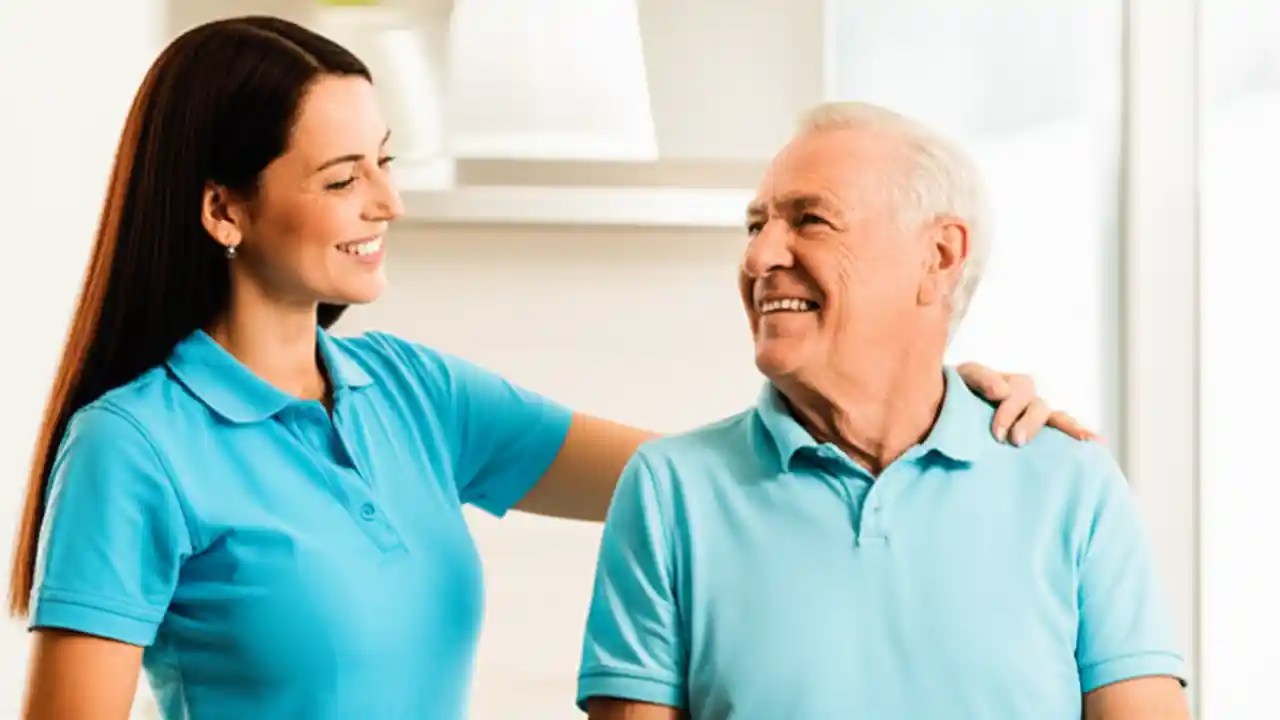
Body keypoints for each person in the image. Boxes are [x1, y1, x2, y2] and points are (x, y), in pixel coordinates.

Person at [9, 17, 1086, 720]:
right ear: (222, 210)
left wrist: (930, 407)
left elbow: (700, 483)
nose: (388, 202)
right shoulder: (134, 447)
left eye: (385, 162)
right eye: (342, 179)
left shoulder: (410, 395)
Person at [576, 102, 1189, 720]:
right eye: (756, 226)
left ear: (940, 256)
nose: (760, 258)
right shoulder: (667, 492)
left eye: (811, 220)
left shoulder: (1071, 483)